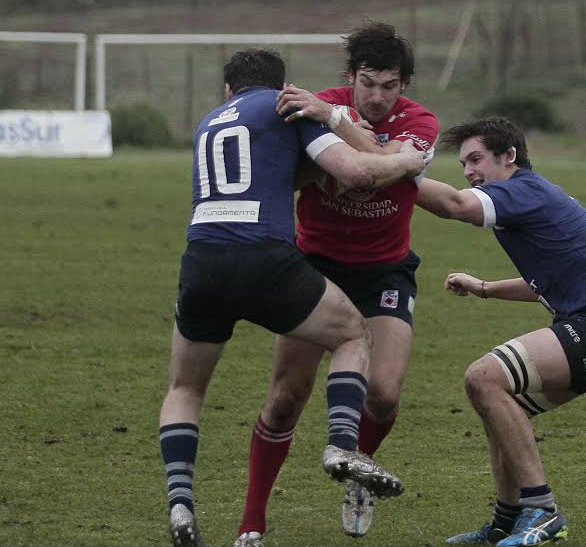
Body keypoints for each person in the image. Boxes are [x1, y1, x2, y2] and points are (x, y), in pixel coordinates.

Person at [158, 48, 424, 547]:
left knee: (185, 388)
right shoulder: (290, 110)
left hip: (201, 260)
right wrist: (408, 159)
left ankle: (179, 503)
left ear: (227, 91)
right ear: (284, 88)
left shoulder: (210, 121)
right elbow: (358, 173)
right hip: (265, 260)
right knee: (351, 333)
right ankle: (342, 446)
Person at [233, 23, 439, 546]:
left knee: (385, 396)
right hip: (315, 264)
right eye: (367, 82)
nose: (377, 95)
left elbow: (384, 164)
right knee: (286, 398)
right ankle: (252, 523)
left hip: (384, 271)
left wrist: (335, 123)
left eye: (389, 85)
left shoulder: (419, 122)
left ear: (404, 86)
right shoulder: (319, 103)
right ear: (351, 77)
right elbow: (337, 168)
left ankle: (358, 469)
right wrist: (332, 143)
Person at [414, 117, 586, 547]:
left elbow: (455, 206)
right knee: (501, 408)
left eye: (476, 158)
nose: (468, 171)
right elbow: (552, 281)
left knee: (484, 378)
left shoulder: (522, 191)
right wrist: (484, 287)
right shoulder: (535, 197)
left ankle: (542, 511)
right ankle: (506, 521)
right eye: (463, 162)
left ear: (509, 156)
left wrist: (396, 173)